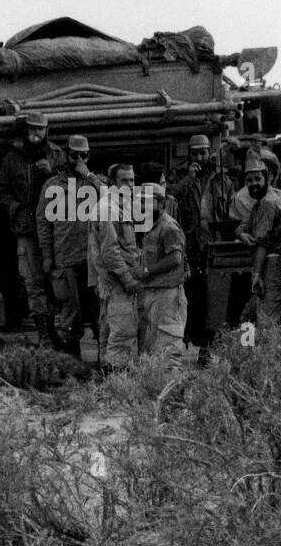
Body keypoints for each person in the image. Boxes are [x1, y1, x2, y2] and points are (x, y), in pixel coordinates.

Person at [0, 111, 67, 348]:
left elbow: (75, 189)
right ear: (25, 131)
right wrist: (16, 208)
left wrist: (53, 174)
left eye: (40, 129)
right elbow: (1, 191)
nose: (36, 134)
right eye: (32, 129)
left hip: (56, 229)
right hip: (27, 230)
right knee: (33, 281)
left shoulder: (58, 155)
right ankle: (43, 334)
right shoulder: (12, 158)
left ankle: (56, 329)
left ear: (47, 131)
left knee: (55, 280)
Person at [37, 134, 105, 357]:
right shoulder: (53, 185)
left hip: (93, 258)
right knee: (69, 311)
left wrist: (90, 176)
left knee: (99, 311)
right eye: (74, 155)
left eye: (83, 155)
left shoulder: (96, 183)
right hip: (65, 257)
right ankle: (72, 362)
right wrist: (47, 256)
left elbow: (113, 201)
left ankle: (105, 362)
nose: (78, 160)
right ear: (66, 155)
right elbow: (44, 223)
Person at [169, 134, 230, 359]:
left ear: (209, 153)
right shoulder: (179, 175)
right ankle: (193, 343)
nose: (199, 157)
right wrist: (189, 178)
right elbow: (170, 198)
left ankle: (208, 347)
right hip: (191, 247)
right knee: (193, 299)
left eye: (202, 152)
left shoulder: (221, 177)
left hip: (214, 246)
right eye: (194, 153)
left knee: (215, 300)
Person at [134, 184, 187, 365]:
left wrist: (148, 271)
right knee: (152, 350)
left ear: (161, 203)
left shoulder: (168, 227)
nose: (142, 207)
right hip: (153, 293)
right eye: (140, 202)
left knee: (168, 351)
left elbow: (175, 258)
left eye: (147, 202)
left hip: (167, 295)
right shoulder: (150, 226)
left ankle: (171, 391)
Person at [235, 156, 281, 320]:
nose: (253, 183)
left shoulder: (268, 202)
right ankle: (248, 346)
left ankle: (266, 345)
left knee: (268, 321)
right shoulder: (260, 202)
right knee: (247, 318)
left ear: (267, 178)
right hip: (268, 264)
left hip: (273, 265)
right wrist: (241, 234)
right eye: (249, 180)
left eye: (257, 179)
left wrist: (256, 275)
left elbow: (261, 244)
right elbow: (244, 225)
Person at [94, 191, 143, 372]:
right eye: (124, 180)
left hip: (114, 281)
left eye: (132, 180)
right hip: (118, 282)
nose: (130, 185)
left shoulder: (119, 208)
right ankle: (117, 381)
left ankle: (108, 378)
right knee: (122, 333)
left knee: (110, 332)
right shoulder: (108, 210)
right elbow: (110, 251)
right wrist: (127, 278)